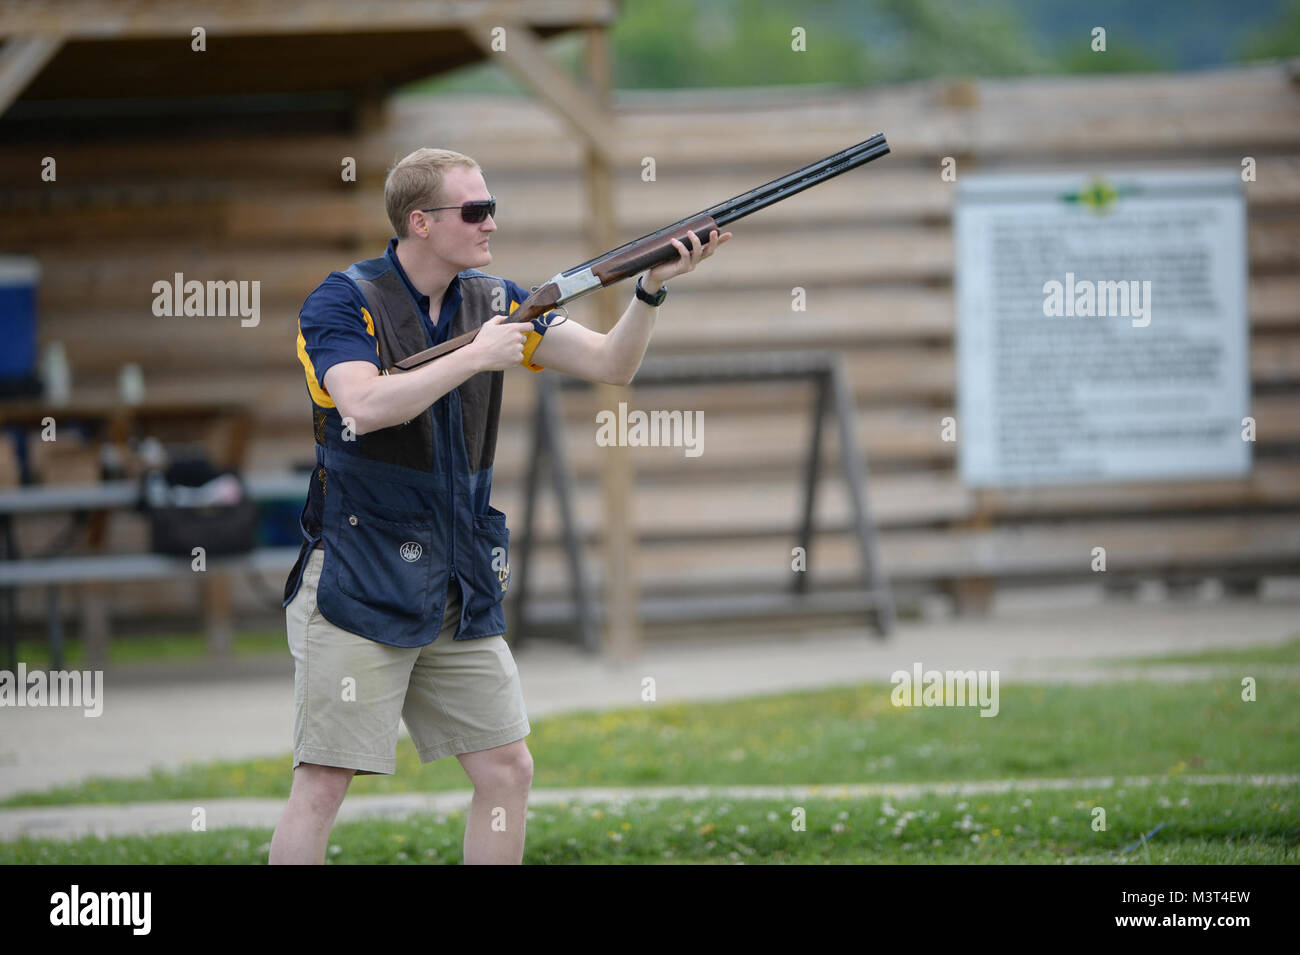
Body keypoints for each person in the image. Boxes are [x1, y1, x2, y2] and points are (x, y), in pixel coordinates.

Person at [268, 147, 731, 864]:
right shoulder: (342, 301)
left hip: (457, 575)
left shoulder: (499, 301)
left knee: (507, 768)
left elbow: (613, 365)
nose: (491, 222)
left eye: (493, 207)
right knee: (325, 780)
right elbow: (361, 402)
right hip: (360, 577)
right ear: (420, 222)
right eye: (474, 210)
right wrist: (477, 356)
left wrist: (649, 292)